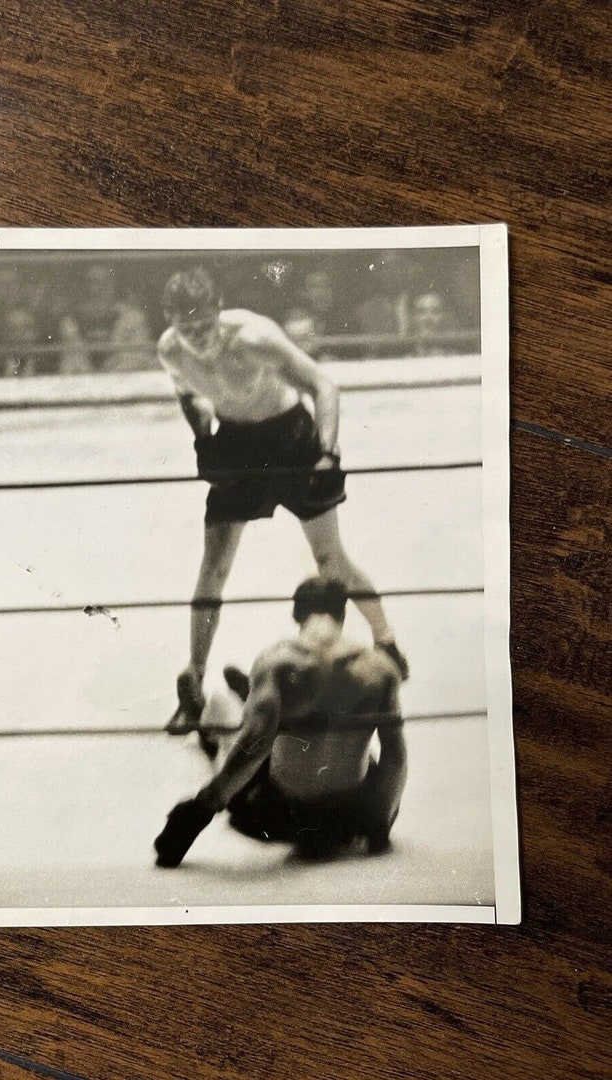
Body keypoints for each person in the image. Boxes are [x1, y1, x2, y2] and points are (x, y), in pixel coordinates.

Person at [156, 267, 407, 736]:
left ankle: (386, 641)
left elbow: (324, 385)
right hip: (237, 444)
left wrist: (328, 453)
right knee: (213, 568)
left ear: (218, 310)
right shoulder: (170, 349)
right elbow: (189, 394)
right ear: (171, 320)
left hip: (290, 438)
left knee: (330, 558)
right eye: (187, 330)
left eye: (205, 326)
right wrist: (204, 435)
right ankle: (193, 683)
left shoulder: (255, 336)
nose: (198, 339)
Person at [153, 577, 407, 868]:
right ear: (342, 614)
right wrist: (378, 828)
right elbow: (396, 758)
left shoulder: (279, 661)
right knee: (365, 751)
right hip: (346, 816)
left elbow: (254, 746)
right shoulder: (380, 668)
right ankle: (253, 700)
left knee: (223, 707)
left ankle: (213, 723)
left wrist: (202, 807)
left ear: (296, 614)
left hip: (281, 813)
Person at [57, 264, 153, 374]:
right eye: (93, 282)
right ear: (85, 287)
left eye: (105, 282)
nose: (99, 289)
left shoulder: (134, 318)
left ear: (113, 285)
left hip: (122, 381)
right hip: (85, 384)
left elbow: (140, 357)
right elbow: (70, 363)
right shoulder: (70, 322)